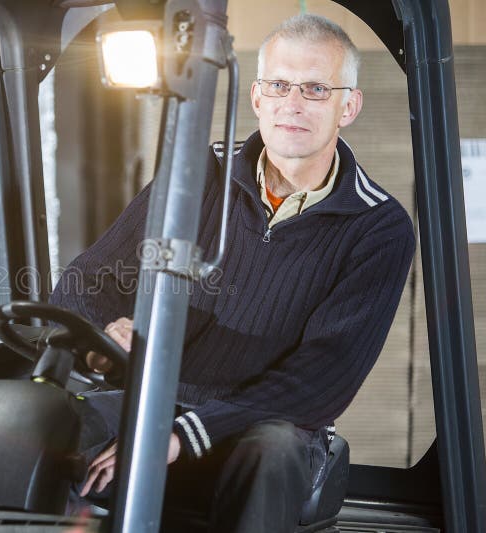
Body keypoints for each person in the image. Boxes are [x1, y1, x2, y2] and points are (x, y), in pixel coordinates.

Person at [49, 13, 416, 533]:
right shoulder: (197, 175)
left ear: (347, 106)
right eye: (279, 85)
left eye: (315, 88)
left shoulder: (377, 227)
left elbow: (321, 381)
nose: (293, 103)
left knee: (272, 449)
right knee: (39, 418)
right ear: (257, 98)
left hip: (261, 430)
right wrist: (107, 336)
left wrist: (182, 434)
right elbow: (85, 282)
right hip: (156, 402)